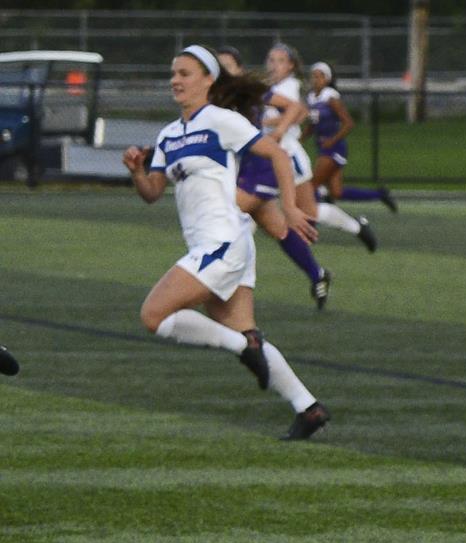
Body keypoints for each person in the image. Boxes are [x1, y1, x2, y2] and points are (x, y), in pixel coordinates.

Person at [120, 45, 330, 441]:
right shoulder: (168, 135)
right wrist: (136, 172)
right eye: (173, 73)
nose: (175, 80)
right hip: (220, 246)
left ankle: (241, 346)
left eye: (184, 73)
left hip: (222, 244)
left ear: (208, 80)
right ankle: (309, 408)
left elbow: (278, 156)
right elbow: (151, 193)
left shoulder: (220, 121)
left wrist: (289, 206)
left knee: (153, 316)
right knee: (246, 331)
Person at [214, 45, 331, 309]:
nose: (222, 72)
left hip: (262, 167)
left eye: (227, 67)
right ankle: (318, 274)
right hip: (244, 169)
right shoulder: (216, 95)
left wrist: (277, 134)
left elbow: (295, 107)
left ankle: (219, 287)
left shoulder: (247, 89)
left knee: (223, 217)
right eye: (217, 67)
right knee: (278, 229)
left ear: (239, 70)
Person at [268, 42, 377, 254]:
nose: (274, 65)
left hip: (288, 155)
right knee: (258, 204)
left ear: (291, 65)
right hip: (269, 154)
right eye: (271, 60)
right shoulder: (274, 87)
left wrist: (267, 123)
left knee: (309, 211)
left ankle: (355, 228)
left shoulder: (289, 87)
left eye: (280, 61)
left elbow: (299, 113)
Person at [306, 62, 398, 215]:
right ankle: (380, 194)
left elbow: (348, 123)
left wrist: (332, 140)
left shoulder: (331, 97)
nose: (315, 79)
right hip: (323, 147)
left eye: (320, 76)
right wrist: (300, 139)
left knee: (311, 186)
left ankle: (309, 221)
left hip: (334, 148)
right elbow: (312, 125)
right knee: (337, 192)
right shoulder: (310, 98)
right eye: (313, 76)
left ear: (327, 79)